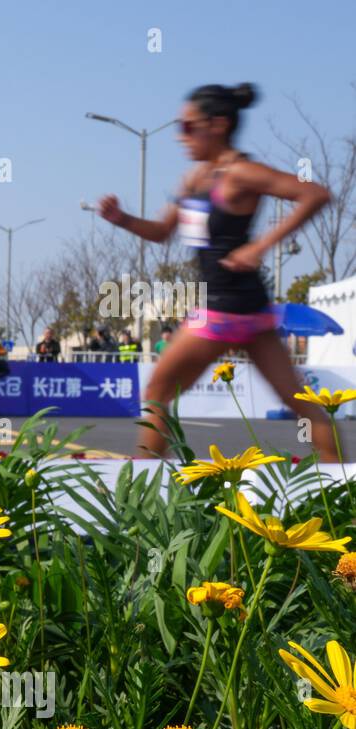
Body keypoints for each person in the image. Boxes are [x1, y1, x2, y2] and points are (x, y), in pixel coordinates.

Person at [96, 82, 338, 461]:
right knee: (301, 404)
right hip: (251, 311)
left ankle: (140, 491)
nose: (181, 136)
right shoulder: (195, 178)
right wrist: (121, 218)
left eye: (188, 127)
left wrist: (260, 246)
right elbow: (162, 232)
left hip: (224, 310)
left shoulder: (242, 173)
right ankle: (344, 492)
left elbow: (316, 194)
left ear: (219, 124)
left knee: (158, 392)